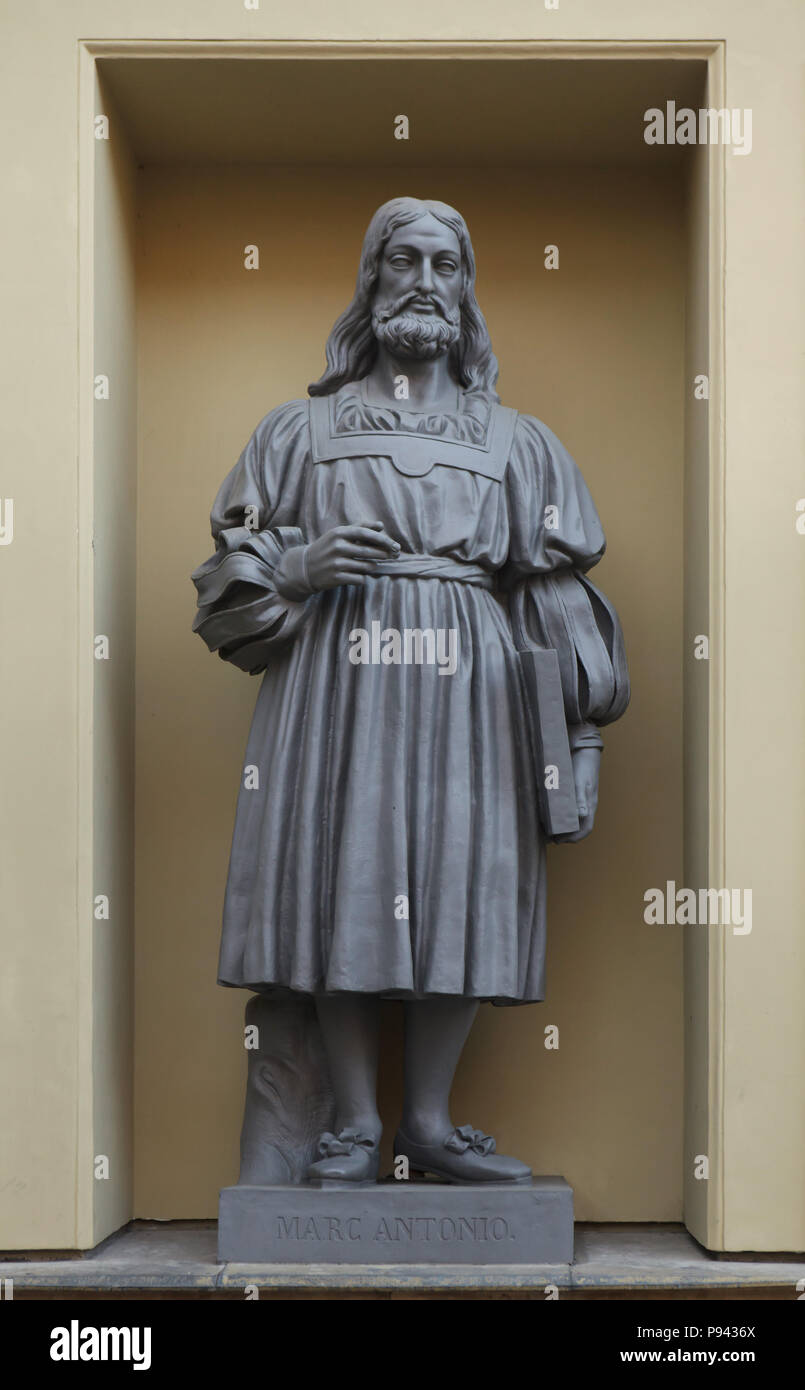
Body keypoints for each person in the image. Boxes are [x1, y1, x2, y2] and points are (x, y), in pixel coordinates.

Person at [192, 197, 629, 1188]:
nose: (424, 279)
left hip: (475, 695)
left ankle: (427, 1125)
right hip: (338, 683)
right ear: (372, 281)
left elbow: (555, 599)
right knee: (344, 878)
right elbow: (224, 586)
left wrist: (586, 740)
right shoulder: (297, 433)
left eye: (445, 262)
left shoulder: (519, 445)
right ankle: (353, 1124)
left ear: (466, 290)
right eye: (403, 260)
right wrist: (301, 564)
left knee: (466, 884)